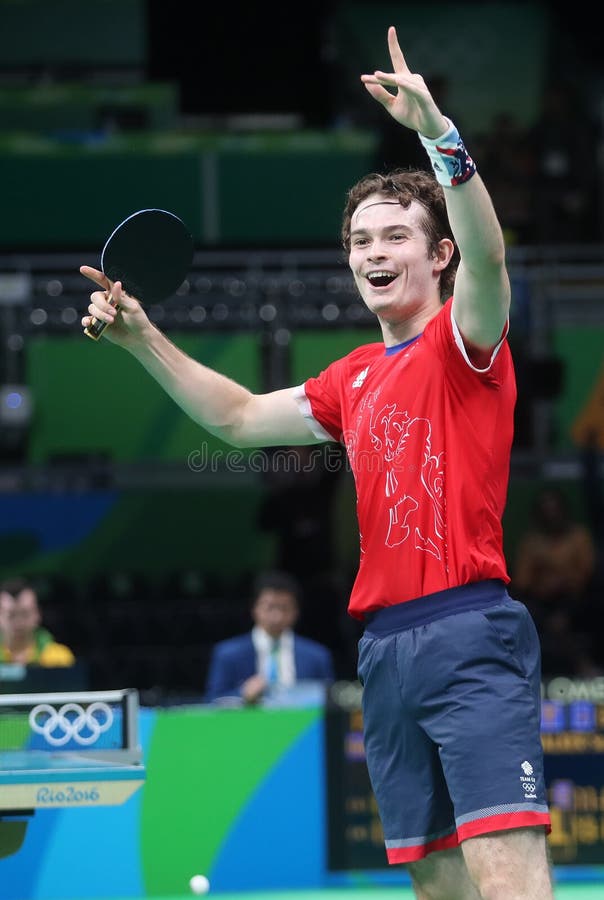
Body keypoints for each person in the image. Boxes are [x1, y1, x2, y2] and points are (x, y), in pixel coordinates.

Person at [80, 26, 553, 898]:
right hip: (384, 650)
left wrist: (439, 137)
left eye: (395, 237)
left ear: (436, 255)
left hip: (468, 630)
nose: (374, 252)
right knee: (435, 882)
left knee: (506, 876)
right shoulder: (352, 379)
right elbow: (237, 417)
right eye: (361, 240)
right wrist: (144, 338)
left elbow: (490, 254)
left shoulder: (465, 341)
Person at [203, 570, 335, 705]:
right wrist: (243, 695)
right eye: (269, 607)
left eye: (284, 608)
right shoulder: (227, 654)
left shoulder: (317, 656)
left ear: (296, 612)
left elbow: (330, 703)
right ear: (254, 608)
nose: (276, 616)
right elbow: (213, 702)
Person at [0, 577, 75, 666]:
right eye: (11, 615)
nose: (18, 622)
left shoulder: (58, 659)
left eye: (25, 614)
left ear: (37, 614)